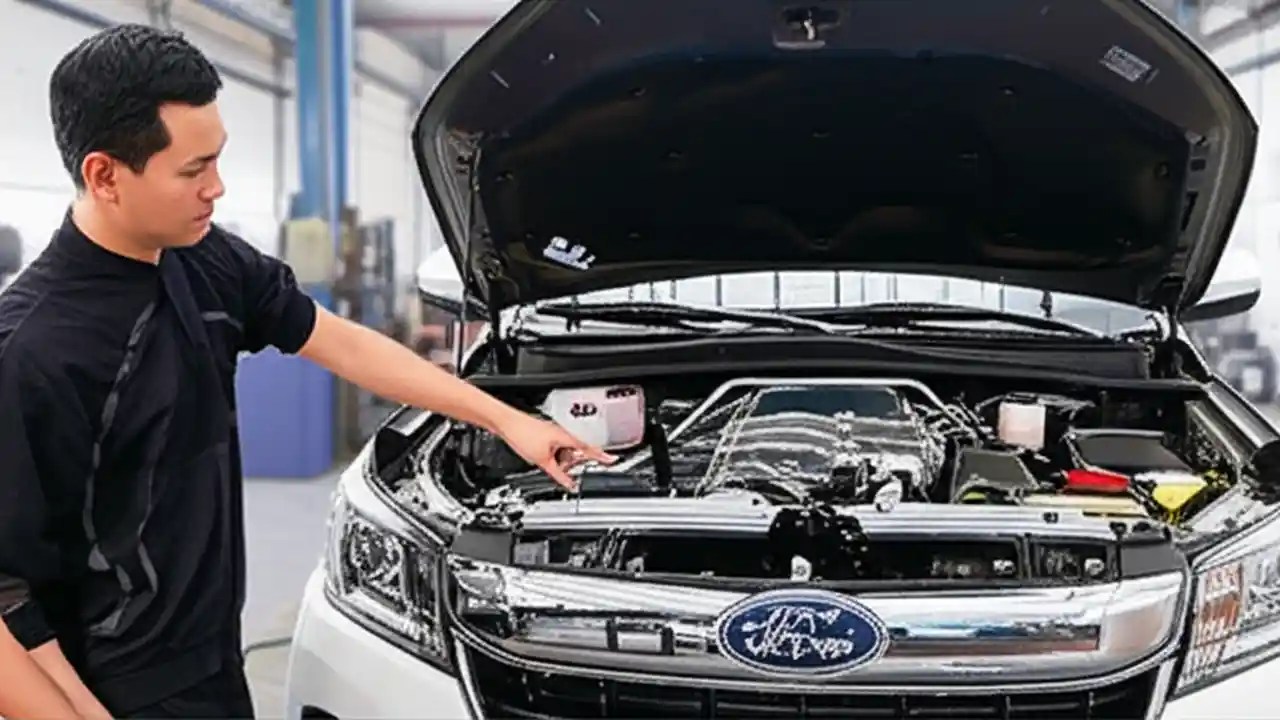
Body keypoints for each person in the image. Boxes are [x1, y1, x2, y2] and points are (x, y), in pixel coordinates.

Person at [0, 24, 612, 719]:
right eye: (193, 170)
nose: (217, 188)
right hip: (116, 689)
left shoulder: (205, 262)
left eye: (218, 160)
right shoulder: (32, 351)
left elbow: (343, 344)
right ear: (104, 175)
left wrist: (506, 419)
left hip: (212, 664)